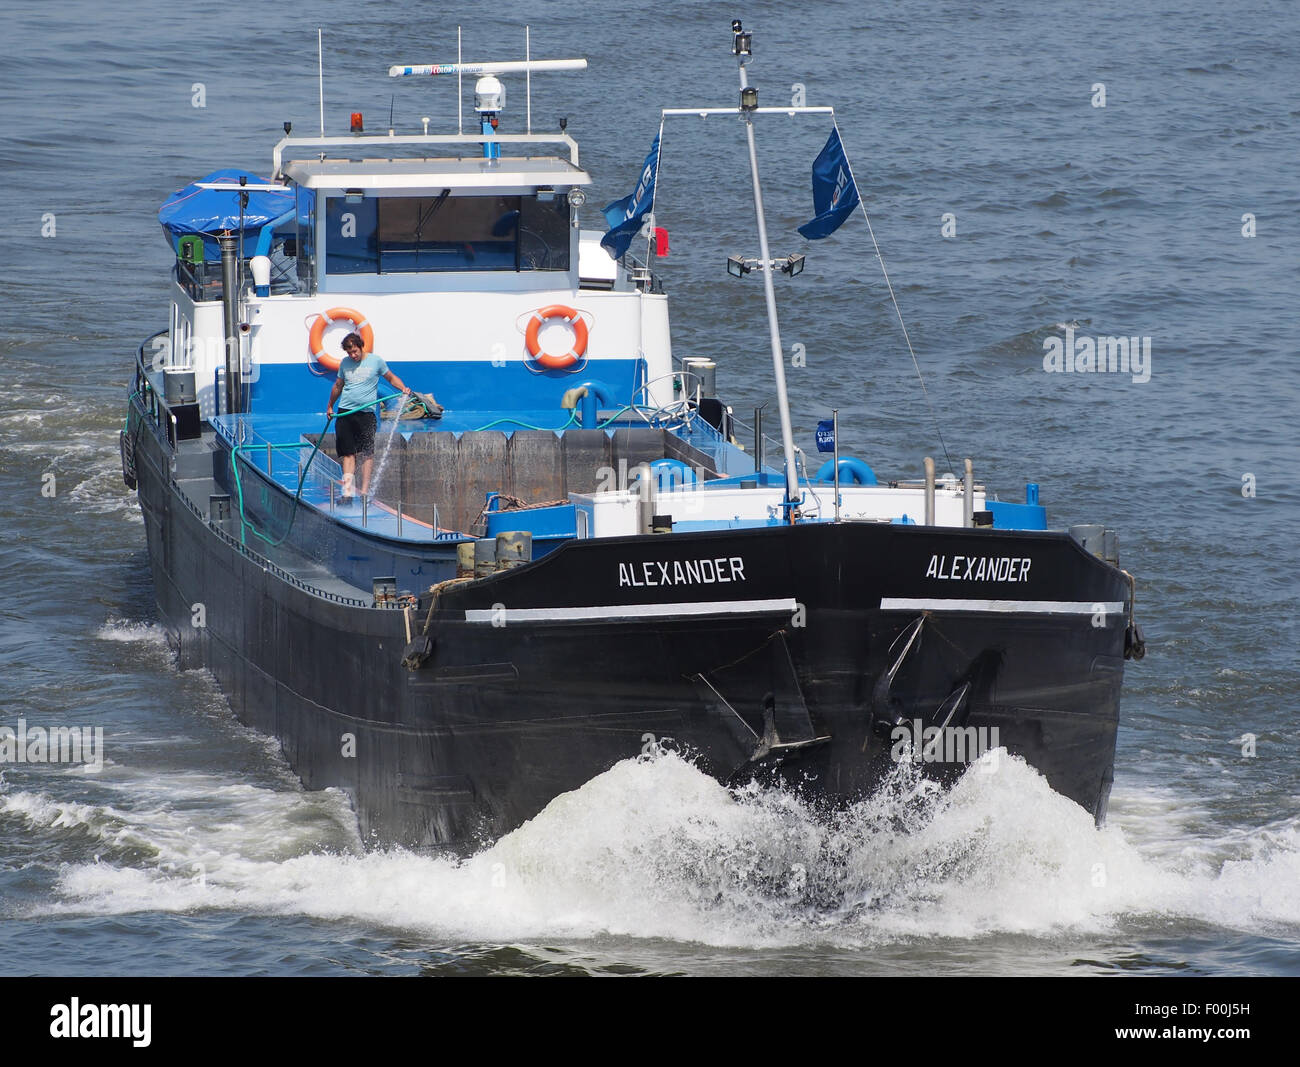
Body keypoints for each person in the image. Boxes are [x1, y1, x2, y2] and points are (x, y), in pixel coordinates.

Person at [325, 333, 412, 502]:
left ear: (361, 346)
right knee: (348, 453)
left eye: (355, 351)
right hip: (345, 412)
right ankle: (347, 493)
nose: (353, 355)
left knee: (367, 453)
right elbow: (338, 385)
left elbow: (391, 377)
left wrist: (403, 388)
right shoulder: (345, 363)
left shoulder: (376, 361)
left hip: (366, 414)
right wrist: (330, 405)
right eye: (349, 353)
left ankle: (364, 493)